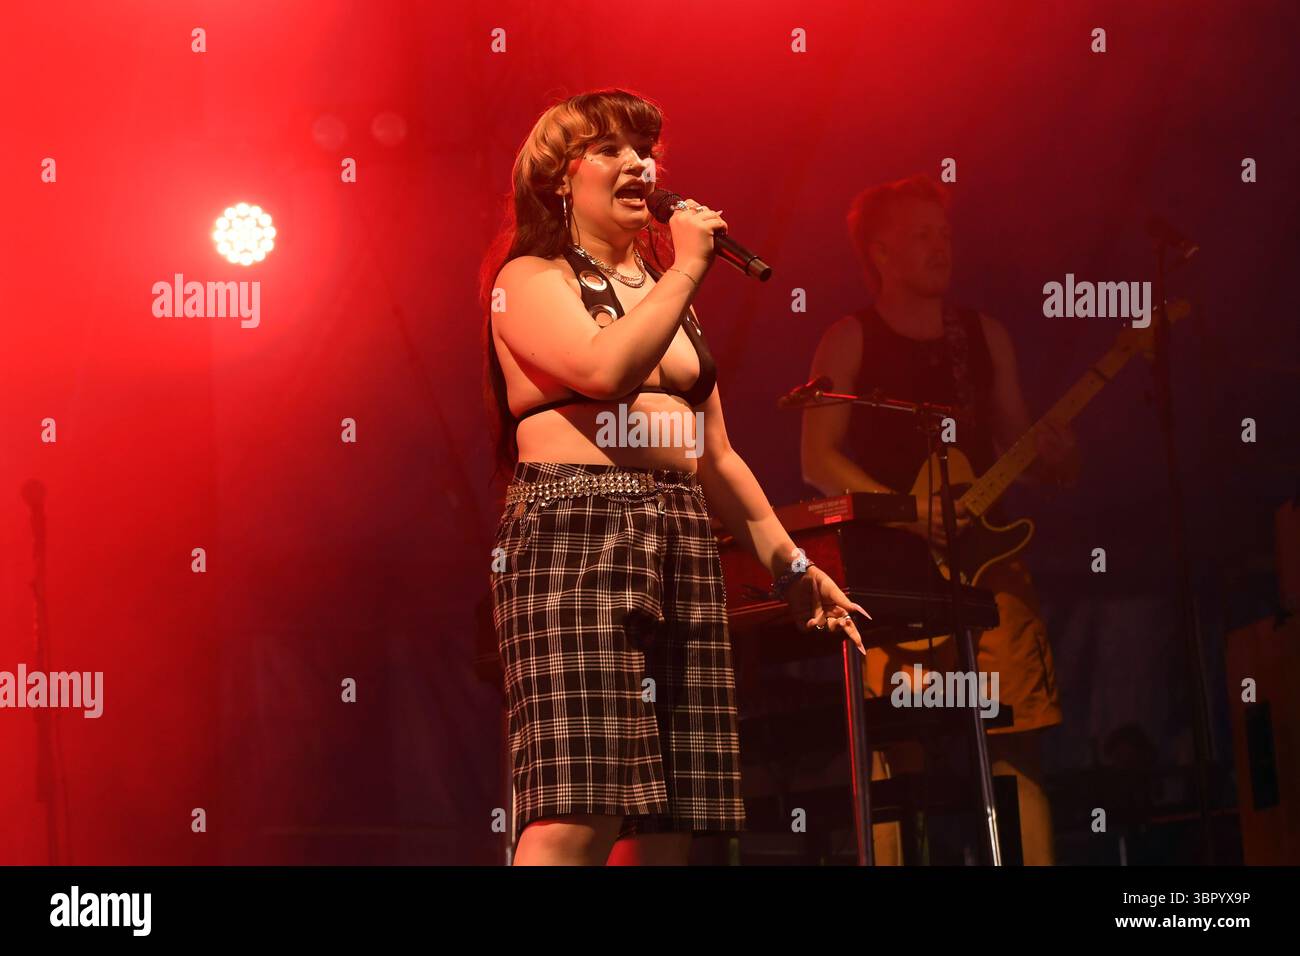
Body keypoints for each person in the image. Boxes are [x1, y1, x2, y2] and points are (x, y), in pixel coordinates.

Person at [481, 89, 869, 866]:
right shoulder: (529, 277)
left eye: (645, 151)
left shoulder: (669, 301)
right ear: (562, 178)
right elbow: (603, 368)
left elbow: (717, 456)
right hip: (574, 532)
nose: (638, 165)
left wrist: (793, 567)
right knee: (577, 805)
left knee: (668, 818)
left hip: (682, 533)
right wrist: (688, 265)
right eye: (612, 150)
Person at [800, 174, 1079, 865]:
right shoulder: (848, 337)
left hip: (990, 563)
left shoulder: (985, 336)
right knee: (897, 751)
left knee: (1017, 741)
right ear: (881, 252)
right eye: (921, 234)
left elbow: (1027, 449)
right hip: (894, 574)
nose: (940, 245)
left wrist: (1056, 456)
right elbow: (815, 458)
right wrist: (905, 513)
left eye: (945, 232)